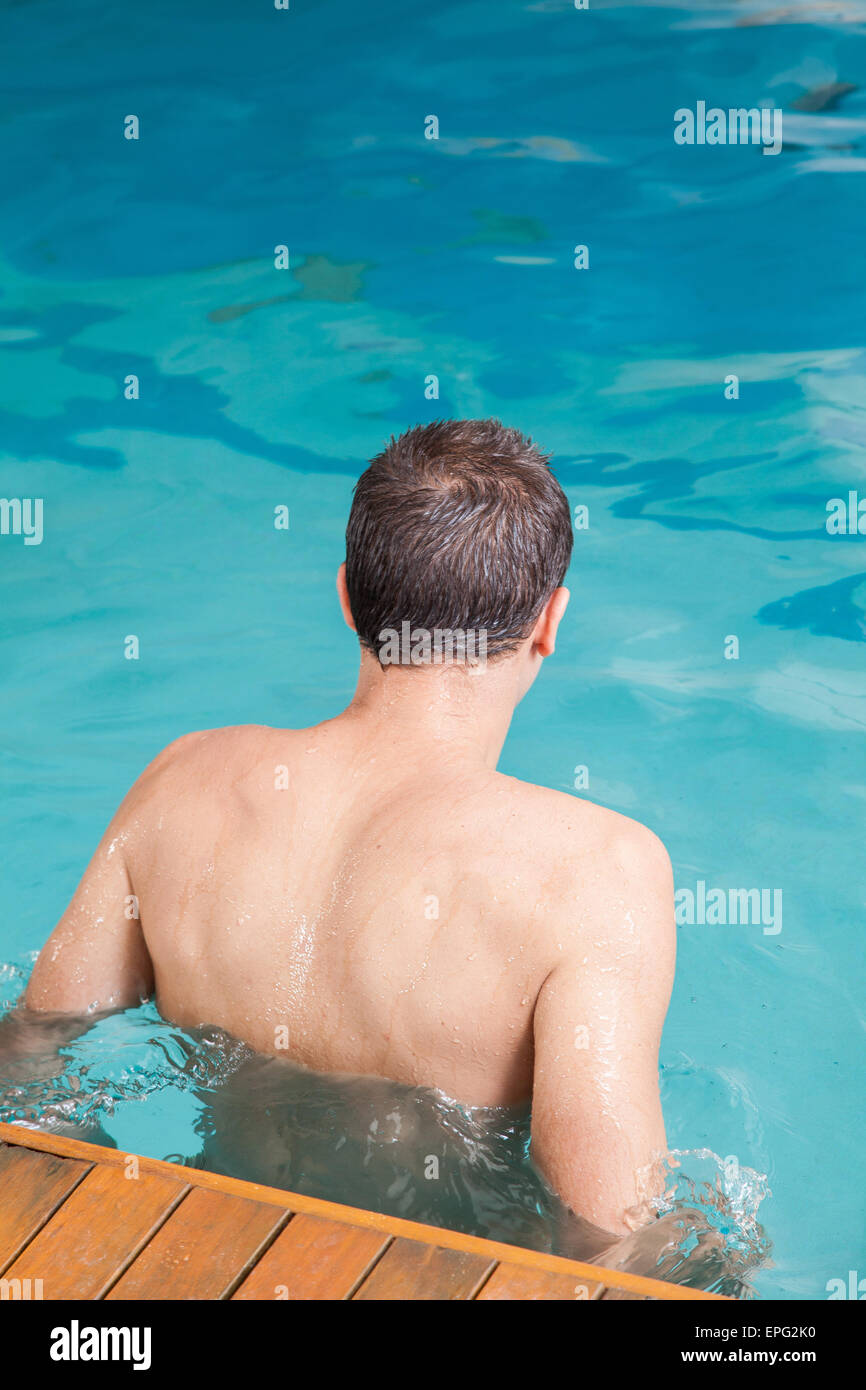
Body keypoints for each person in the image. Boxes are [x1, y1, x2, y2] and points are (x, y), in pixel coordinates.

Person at [10, 418, 675, 1235]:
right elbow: (615, 1229)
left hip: (206, 1255)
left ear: (349, 597)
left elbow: (29, 1062)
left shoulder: (183, 781)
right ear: (550, 622)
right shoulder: (597, 871)